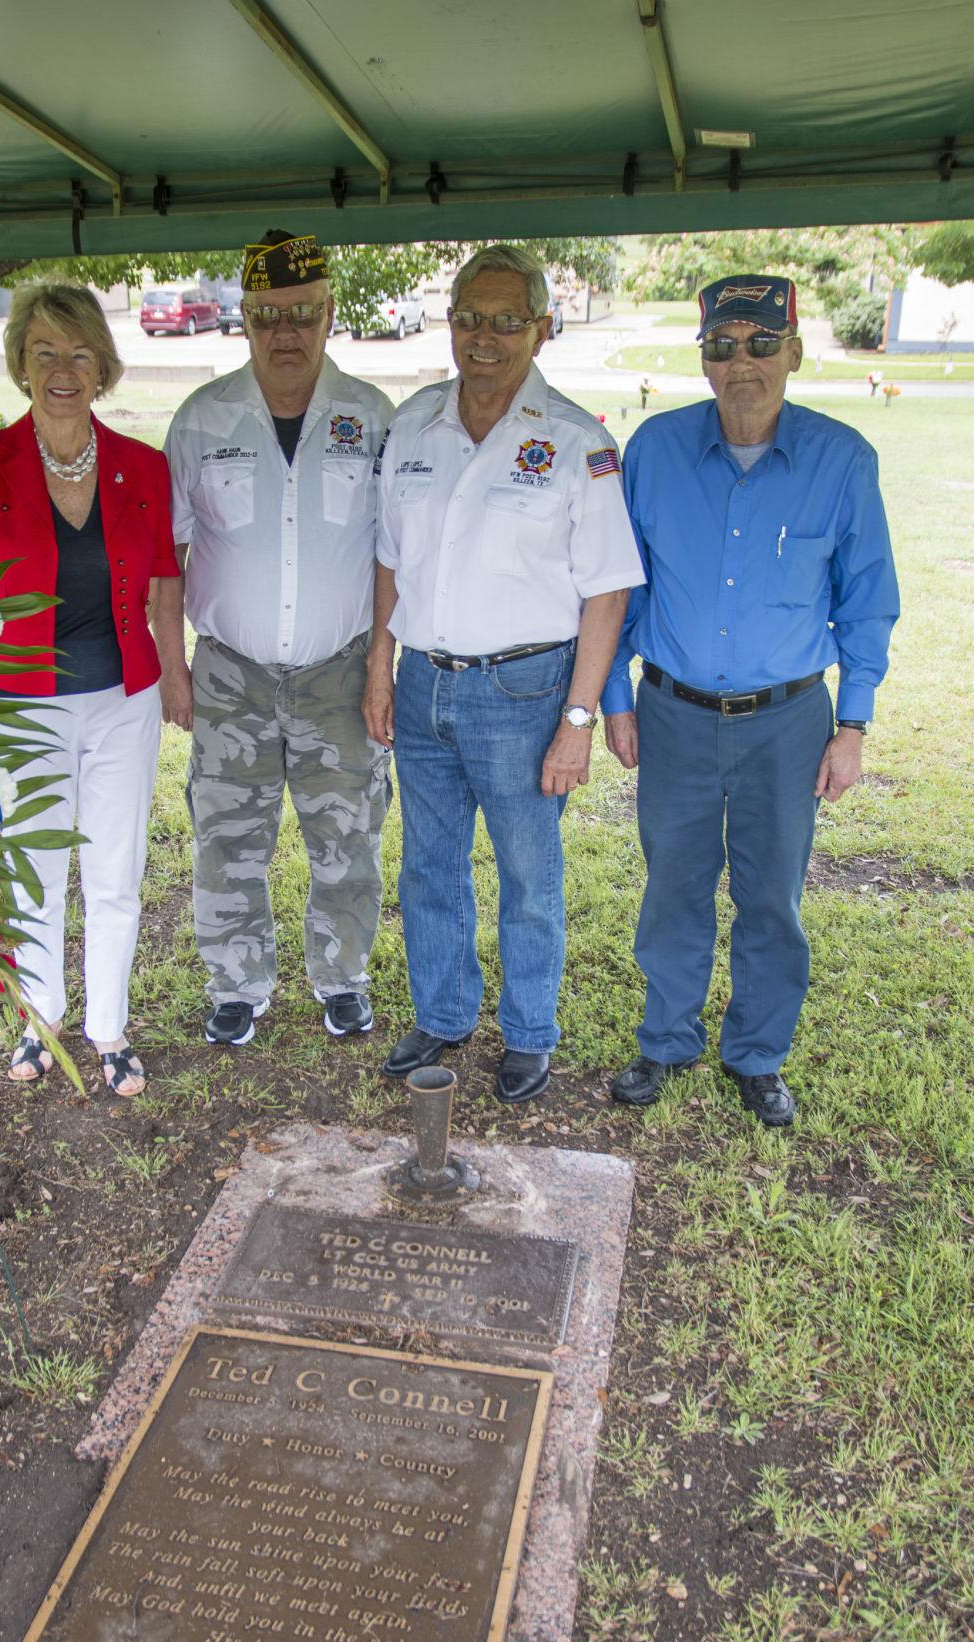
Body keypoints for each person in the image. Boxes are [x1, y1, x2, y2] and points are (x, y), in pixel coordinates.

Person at [603, 275, 900, 1127]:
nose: (743, 363)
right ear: (703, 359)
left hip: (788, 721)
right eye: (722, 345)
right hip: (672, 714)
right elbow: (619, 586)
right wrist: (615, 698)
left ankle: (758, 1054)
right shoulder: (653, 450)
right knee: (673, 886)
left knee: (771, 896)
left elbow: (866, 601)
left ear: (793, 353)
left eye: (762, 343)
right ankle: (665, 1041)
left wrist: (853, 723)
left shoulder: (842, 460)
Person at [365, 244, 644, 1103]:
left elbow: (607, 591)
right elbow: (387, 560)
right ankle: (443, 1014)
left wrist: (578, 720)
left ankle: (527, 1034)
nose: (482, 338)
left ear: (541, 328)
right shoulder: (413, 425)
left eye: (505, 320)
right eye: (468, 318)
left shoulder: (576, 442)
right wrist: (380, 666)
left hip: (523, 693)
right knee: (428, 866)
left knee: (527, 874)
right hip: (423, 682)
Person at [0, 282, 191, 1096]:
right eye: (45, 352)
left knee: (116, 871)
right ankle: (39, 1017)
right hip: (18, 705)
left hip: (122, 701)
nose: (62, 369)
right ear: (21, 364)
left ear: (102, 367)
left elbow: (164, 578)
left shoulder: (142, 466)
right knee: (35, 872)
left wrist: (174, 674)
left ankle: (109, 1028)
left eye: (80, 353)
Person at [164, 231, 393, 1047]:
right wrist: (172, 668)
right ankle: (236, 983)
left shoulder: (370, 416)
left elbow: (391, 554)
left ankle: (342, 976)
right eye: (267, 316)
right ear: (244, 319)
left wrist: (381, 665)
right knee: (226, 836)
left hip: (341, 670)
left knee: (348, 834)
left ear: (328, 314)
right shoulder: (203, 418)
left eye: (301, 313)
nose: (284, 332)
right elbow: (167, 554)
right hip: (231, 672)